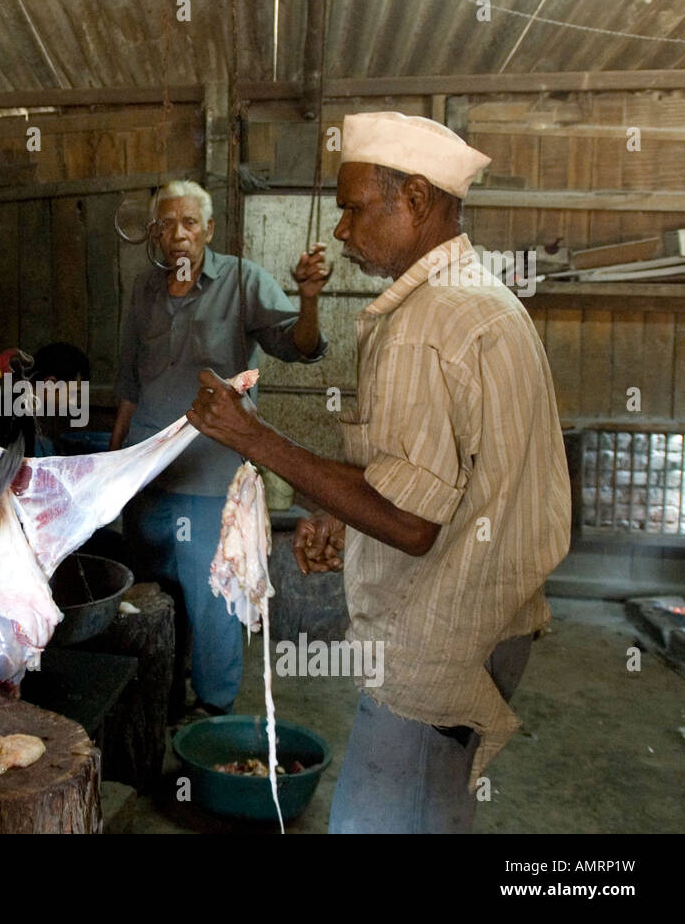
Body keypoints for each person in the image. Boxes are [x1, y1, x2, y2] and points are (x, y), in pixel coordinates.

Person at [187, 111, 570, 832]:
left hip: (439, 643)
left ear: (417, 201)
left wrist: (253, 436)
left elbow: (410, 525)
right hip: (497, 622)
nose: (340, 231)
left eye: (354, 209)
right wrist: (341, 515)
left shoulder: (430, 323)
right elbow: (436, 478)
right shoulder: (486, 301)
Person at [110, 179, 328, 719]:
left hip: (208, 477)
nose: (176, 234)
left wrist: (308, 301)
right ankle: (160, 694)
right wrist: (112, 471)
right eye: (165, 224)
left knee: (211, 597)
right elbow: (129, 387)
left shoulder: (242, 281)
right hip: (145, 473)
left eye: (188, 223)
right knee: (153, 596)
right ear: (154, 235)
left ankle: (213, 707)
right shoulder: (143, 290)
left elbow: (298, 347)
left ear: (208, 229)